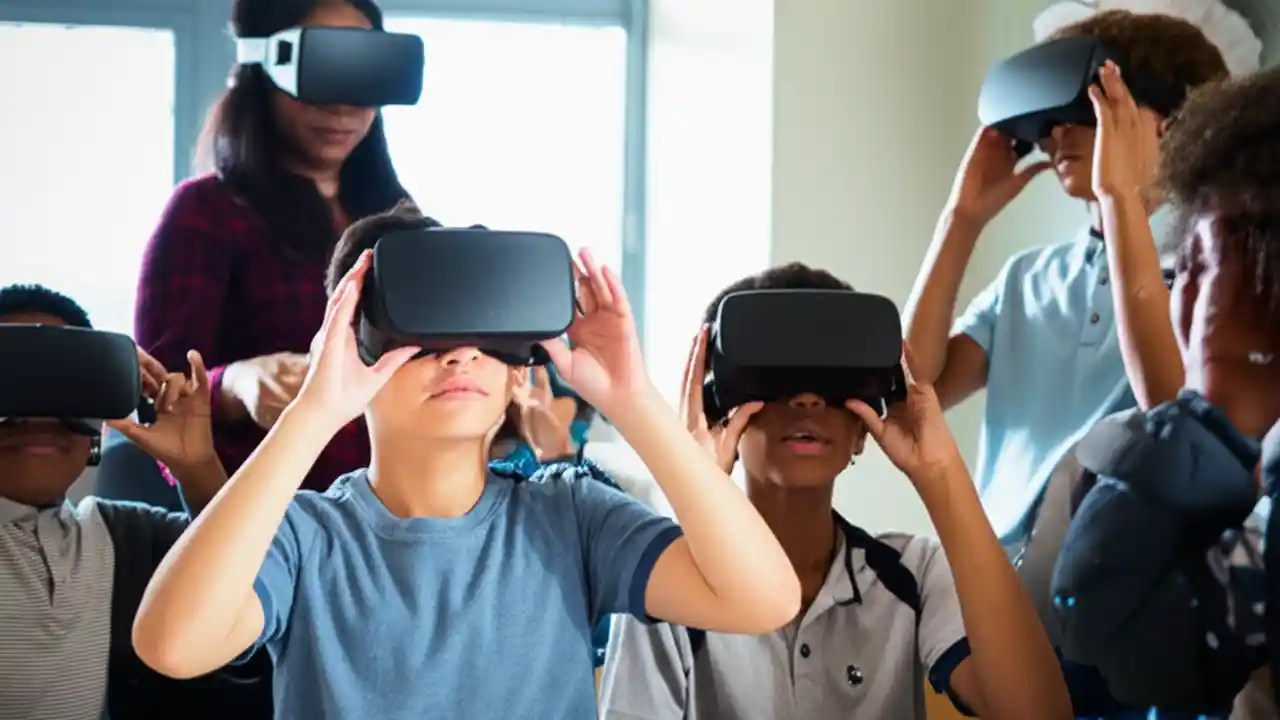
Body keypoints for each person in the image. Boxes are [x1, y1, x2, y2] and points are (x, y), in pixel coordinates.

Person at [130, 203, 802, 718]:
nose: (459, 353)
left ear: (518, 372)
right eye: (418, 334)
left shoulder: (571, 516)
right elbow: (172, 644)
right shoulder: (307, 538)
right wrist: (313, 411)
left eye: (485, 332)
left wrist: (633, 399)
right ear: (351, 348)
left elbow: (763, 599)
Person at [599, 264, 1072, 720]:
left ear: (863, 427)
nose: (807, 400)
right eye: (778, 378)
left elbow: (1038, 713)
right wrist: (695, 482)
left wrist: (940, 473)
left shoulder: (912, 575)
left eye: (832, 382)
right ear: (719, 409)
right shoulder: (665, 588)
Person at [903, 10, 1228, 560]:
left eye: (1086, 110)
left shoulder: (1214, 270)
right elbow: (911, 393)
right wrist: (961, 220)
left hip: (1118, 584)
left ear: (1171, 124)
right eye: (1048, 121)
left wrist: (1121, 198)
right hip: (991, 577)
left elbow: (1171, 407)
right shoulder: (1029, 279)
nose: (1057, 135)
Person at [1052, 66, 1280, 718]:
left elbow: (1143, 646)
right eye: (1188, 267)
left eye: (1214, 262)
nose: (1191, 293)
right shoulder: (1211, 454)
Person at [130, 0, 412, 495]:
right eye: (321, 74)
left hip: (394, 516)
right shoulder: (207, 212)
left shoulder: (401, 219)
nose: (342, 106)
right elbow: (156, 392)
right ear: (261, 68)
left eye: (362, 75)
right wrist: (233, 385)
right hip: (265, 518)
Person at [0, 284, 262, 720]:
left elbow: (257, 578)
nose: (40, 418)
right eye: (13, 384)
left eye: (66, 385)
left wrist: (197, 465)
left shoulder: (124, 537)